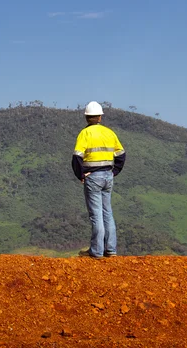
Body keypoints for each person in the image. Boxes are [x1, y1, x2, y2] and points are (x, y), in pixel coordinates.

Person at [72, 101, 126, 259]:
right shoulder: (109, 133)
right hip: (108, 176)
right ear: (100, 117)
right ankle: (111, 250)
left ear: (87, 118)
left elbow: (77, 157)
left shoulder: (85, 134)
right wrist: (115, 170)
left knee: (96, 215)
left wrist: (81, 174)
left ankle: (96, 252)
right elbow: (121, 154)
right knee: (107, 212)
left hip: (93, 177)